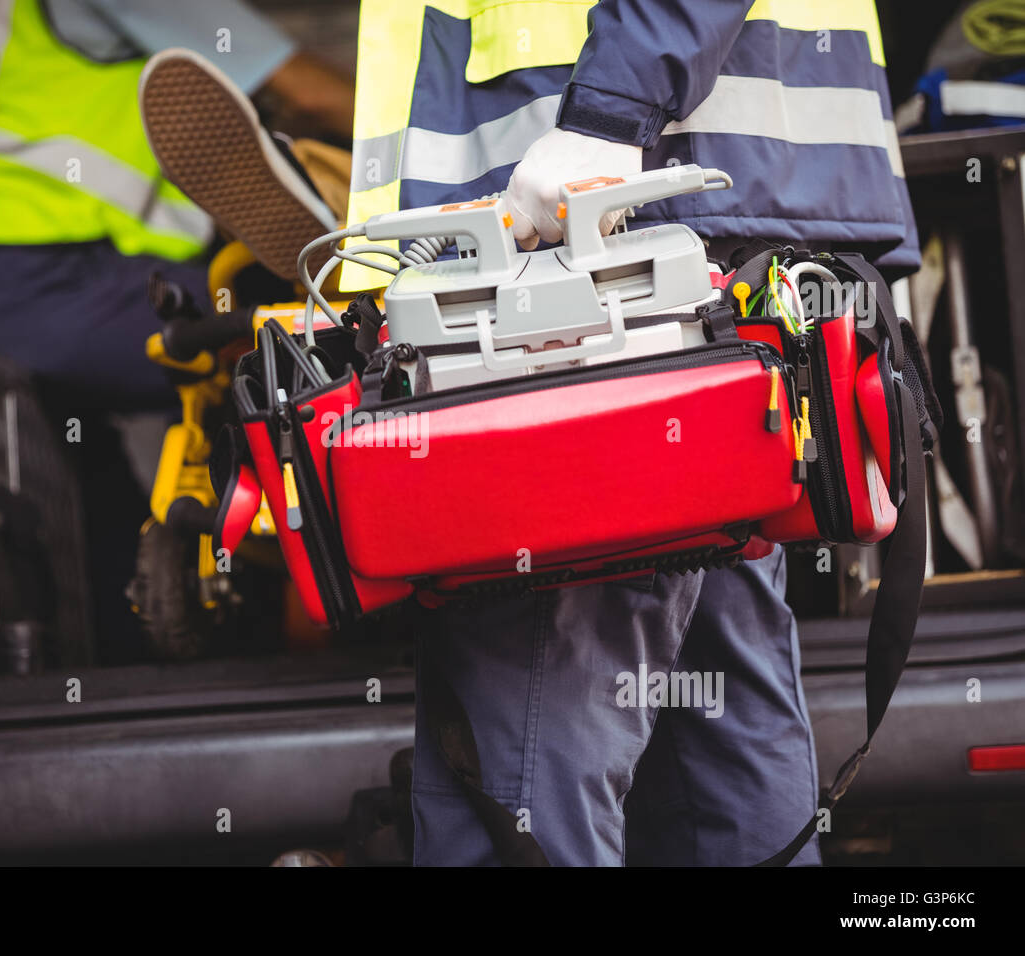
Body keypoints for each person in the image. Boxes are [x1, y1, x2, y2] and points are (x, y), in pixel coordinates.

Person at [336, 0, 919, 865]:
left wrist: (608, 116)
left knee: (520, 775)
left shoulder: (611, 132)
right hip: (665, 256)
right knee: (715, 743)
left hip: (588, 263)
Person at [0, 0, 352, 663]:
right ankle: (330, 622)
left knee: (109, 528)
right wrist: (425, 149)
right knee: (295, 342)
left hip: (28, 285)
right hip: (19, 278)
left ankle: (151, 662)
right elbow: (310, 92)